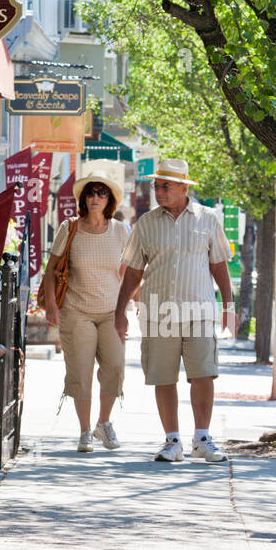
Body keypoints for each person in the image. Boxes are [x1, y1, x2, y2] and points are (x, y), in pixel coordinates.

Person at [114, 158, 235, 464]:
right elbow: (132, 272)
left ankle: (202, 438)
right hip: (158, 312)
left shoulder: (208, 219)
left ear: (184, 187)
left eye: (165, 185)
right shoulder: (146, 224)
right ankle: (173, 441)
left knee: (203, 374)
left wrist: (229, 307)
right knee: (163, 377)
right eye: (156, 186)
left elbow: (219, 265)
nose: (159, 191)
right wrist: (119, 312)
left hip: (200, 310)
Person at [42, 163, 131, 453]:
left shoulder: (120, 230)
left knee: (115, 367)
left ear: (110, 200)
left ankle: (103, 424)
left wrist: (133, 305)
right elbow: (52, 267)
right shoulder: (70, 228)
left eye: (102, 193)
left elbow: (129, 271)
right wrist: (52, 306)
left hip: (111, 312)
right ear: (84, 198)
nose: (96, 197)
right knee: (80, 371)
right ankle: (83, 431)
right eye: (91, 192)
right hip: (75, 311)